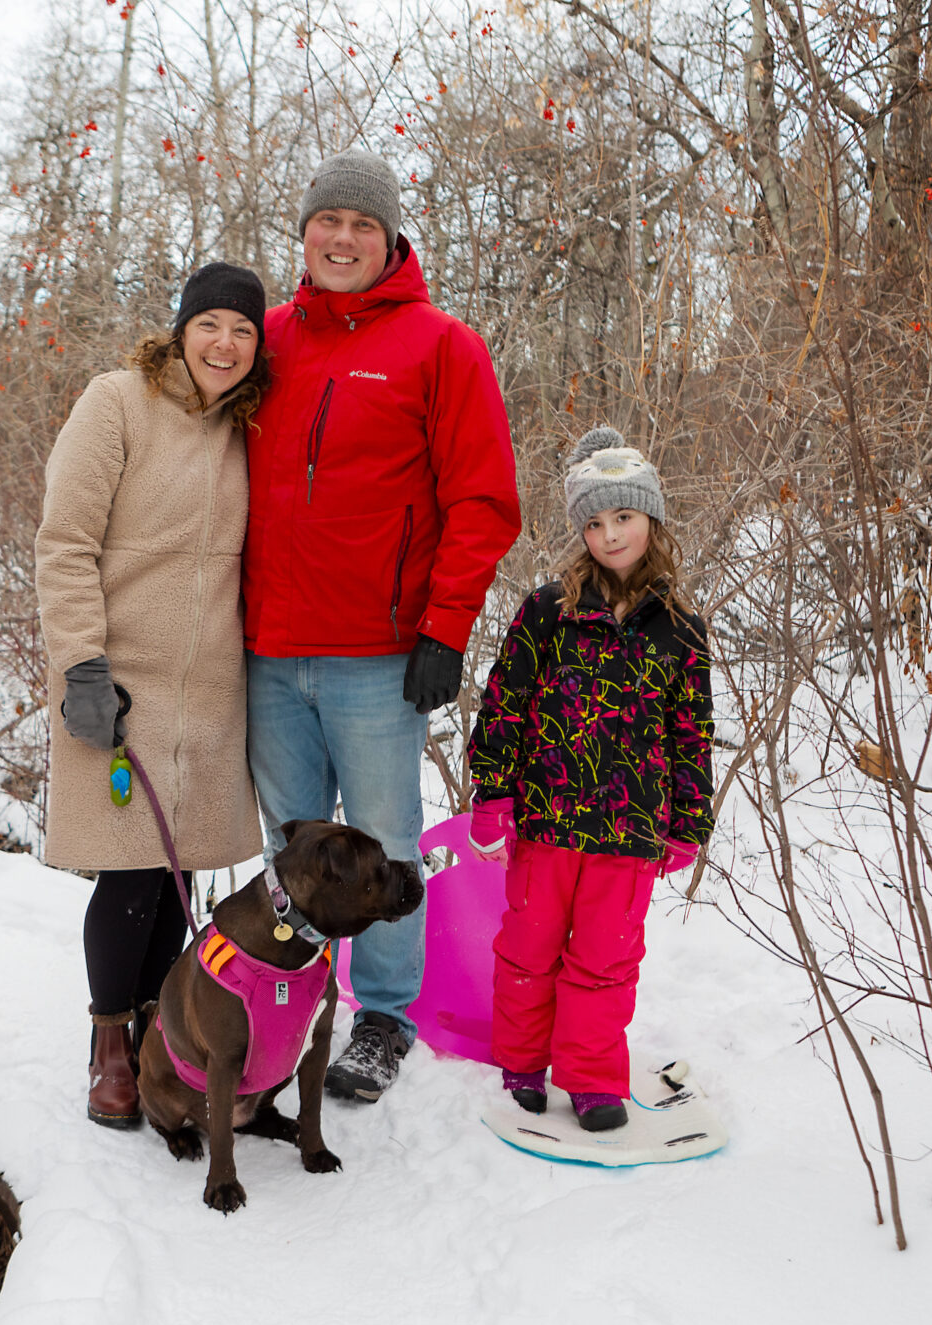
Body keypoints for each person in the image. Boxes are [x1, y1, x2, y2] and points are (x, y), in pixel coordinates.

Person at [242, 149, 520, 1101]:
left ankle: (386, 1014)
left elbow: (482, 499)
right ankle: (288, 992)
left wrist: (445, 629)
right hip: (269, 650)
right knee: (292, 842)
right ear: (306, 233)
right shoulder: (266, 339)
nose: (345, 239)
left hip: (376, 656)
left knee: (386, 838)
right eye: (330, 222)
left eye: (364, 224)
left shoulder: (441, 346)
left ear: (392, 237)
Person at [35, 263, 271, 1128]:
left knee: (177, 882)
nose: (224, 344)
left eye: (243, 332)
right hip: (120, 682)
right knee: (129, 877)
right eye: (210, 325)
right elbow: (64, 542)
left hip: (211, 691)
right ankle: (106, 1043)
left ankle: (149, 1032)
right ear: (180, 330)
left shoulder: (248, 427)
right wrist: (82, 664)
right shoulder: (117, 401)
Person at [464, 426, 713, 1131]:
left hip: (629, 835)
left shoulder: (681, 628)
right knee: (529, 948)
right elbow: (504, 702)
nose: (609, 535)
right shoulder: (549, 612)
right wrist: (494, 793)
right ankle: (521, 1062)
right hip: (546, 822)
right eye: (595, 522)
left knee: (606, 962)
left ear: (650, 517)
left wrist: (688, 822)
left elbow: (692, 729)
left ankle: (592, 1075)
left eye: (623, 517)